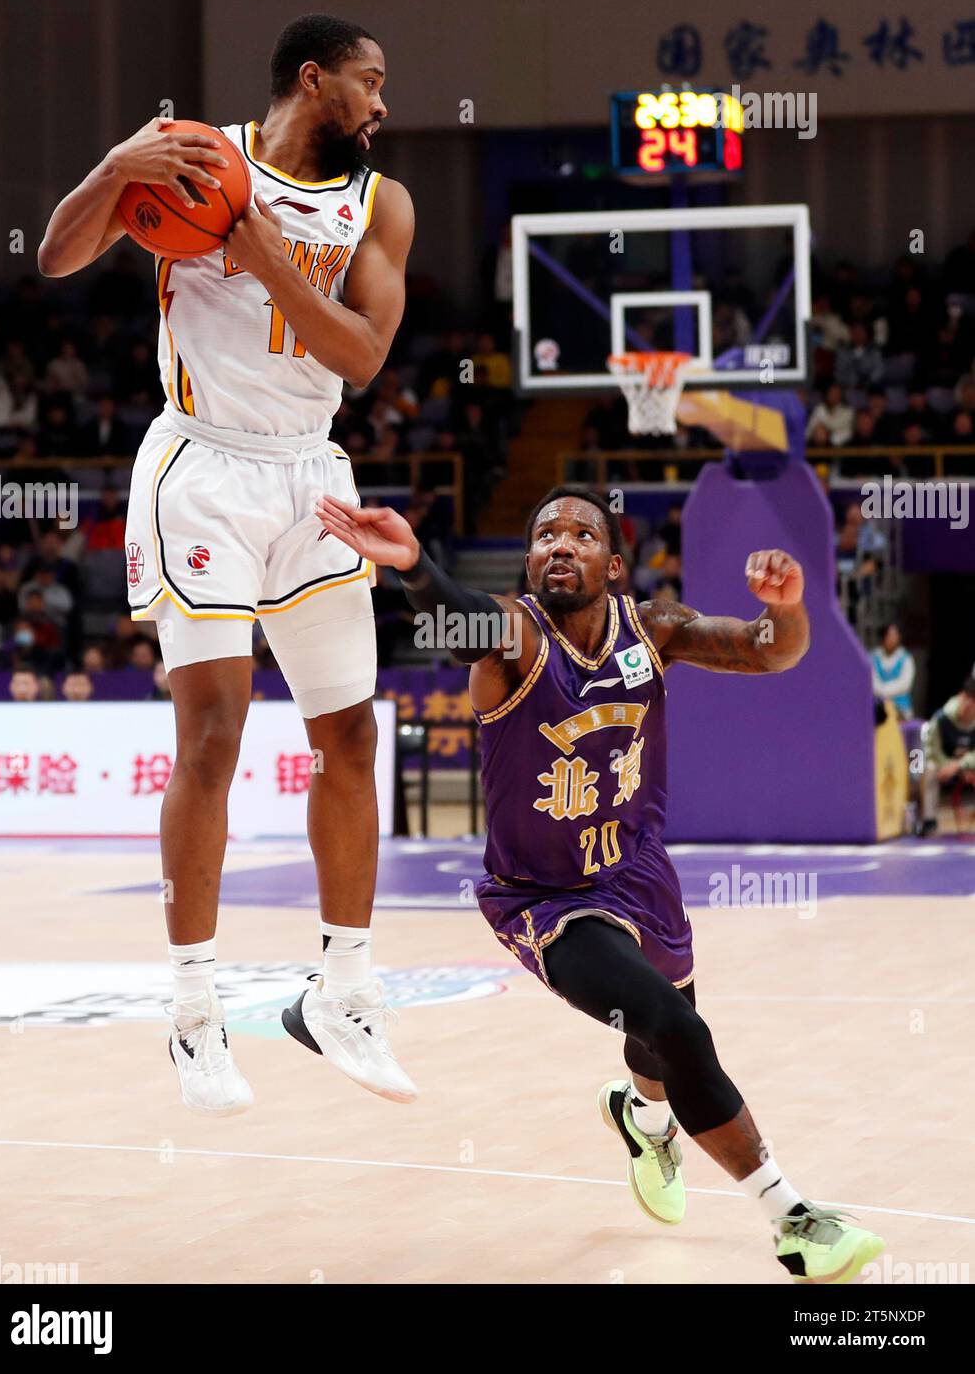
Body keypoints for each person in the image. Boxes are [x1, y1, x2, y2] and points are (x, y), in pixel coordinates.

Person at [314, 485, 884, 1284]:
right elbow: (457, 618)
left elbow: (769, 651)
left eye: (582, 534)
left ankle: (642, 1117)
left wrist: (785, 610)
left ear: (614, 565)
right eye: (545, 533)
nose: (560, 543)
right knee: (675, 1027)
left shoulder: (653, 629)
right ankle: (794, 1221)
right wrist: (414, 565)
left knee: (661, 1029)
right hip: (545, 898)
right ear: (529, 561)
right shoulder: (513, 635)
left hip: (636, 870)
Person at [38, 13, 415, 1114]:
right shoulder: (196, 157)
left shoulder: (379, 202)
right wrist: (118, 167)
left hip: (312, 474)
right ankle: (194, 1009)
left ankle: (343, 990)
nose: (382, 103)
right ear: (315, 78)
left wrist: (260, 259)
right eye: (370, 80)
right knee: (212, 736)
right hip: (202, 467)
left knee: (351, 736)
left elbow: (362, 355)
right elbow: (58, 255)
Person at [919, 677, 975, 836]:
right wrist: (947, 765)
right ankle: (929, 821)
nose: (969, 705)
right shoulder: (942, 718)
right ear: (961, 696)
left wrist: (962, 765)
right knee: (929, 769)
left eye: (974, 701)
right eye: (968, 698)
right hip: (943, 767)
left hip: (967, 767)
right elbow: (931, 750)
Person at [870, 622, 915, 719]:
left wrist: (884, 691)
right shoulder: (873, 657)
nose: (891, 639)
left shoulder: (906, 658)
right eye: (888, 635)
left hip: (901, 710)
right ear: (883, 637)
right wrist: (881, 692)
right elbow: (873, 684)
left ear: (899, 638)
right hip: (878, 710)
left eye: (894, 636)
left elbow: (905, 685)